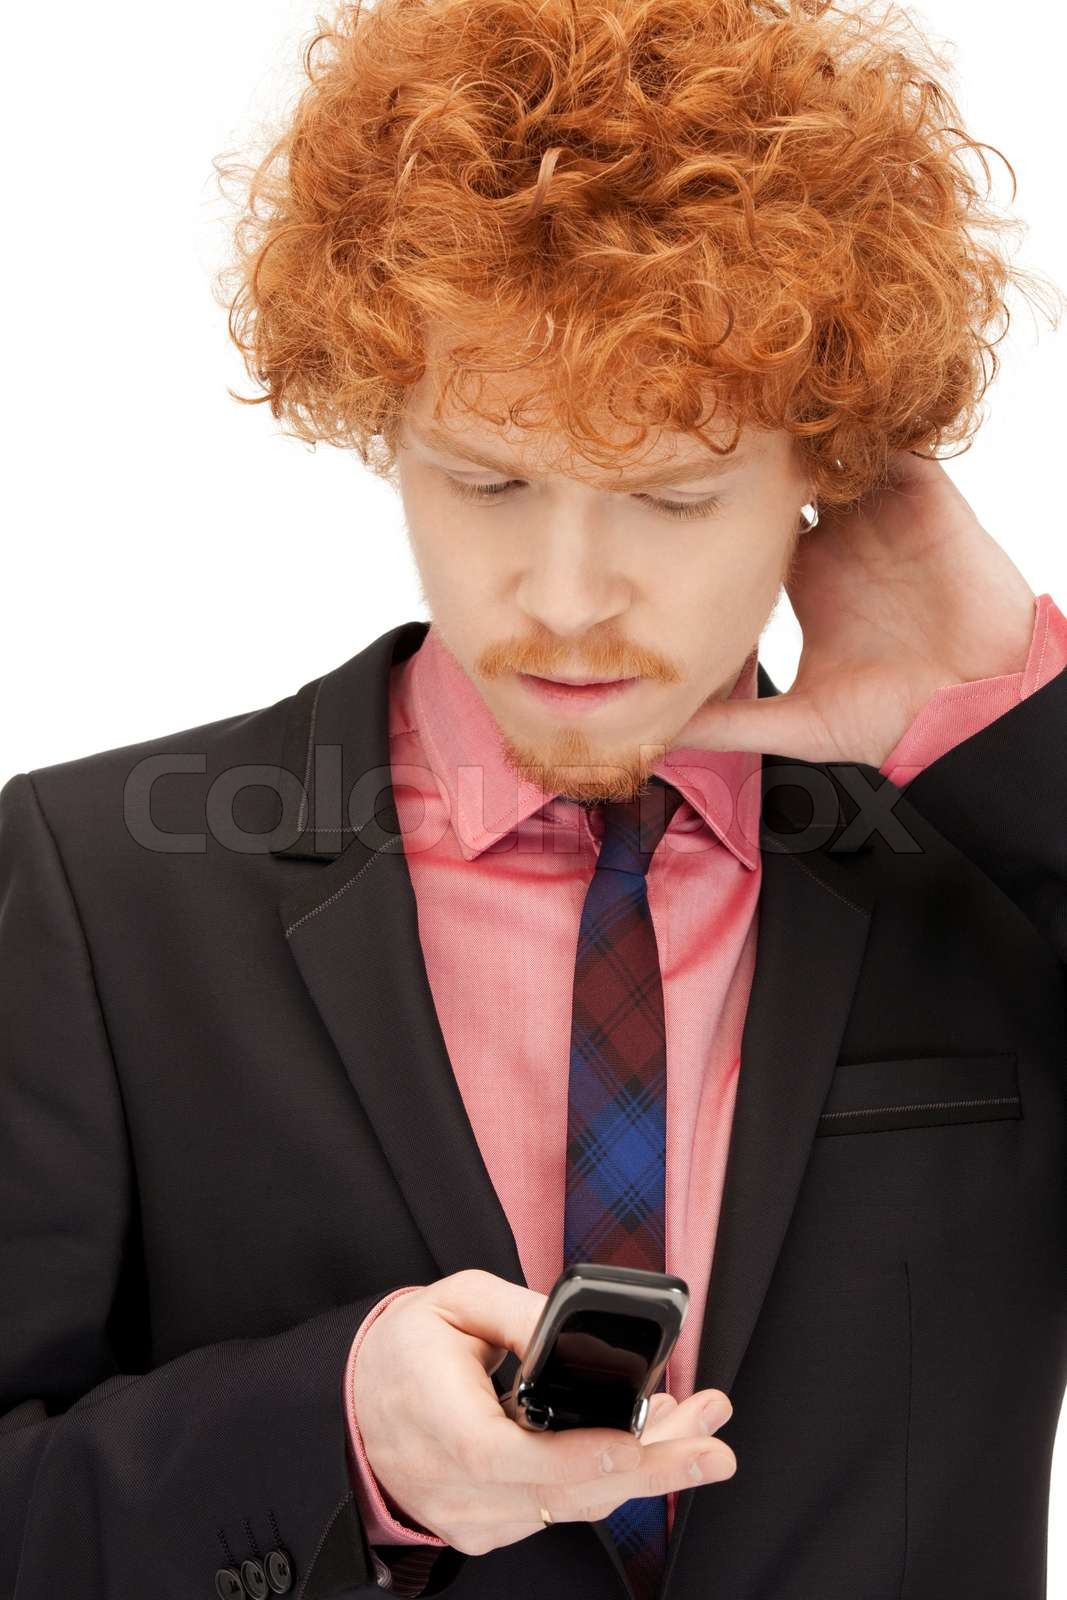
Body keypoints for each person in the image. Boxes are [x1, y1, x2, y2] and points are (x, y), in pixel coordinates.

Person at [2, 1, 1065, 1597]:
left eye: (675, 496)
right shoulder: (99, 887)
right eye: (487, 478)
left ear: (822, 471)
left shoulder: (998, 864)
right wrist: (338, 1436)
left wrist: (1011, 708)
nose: (565, 595)